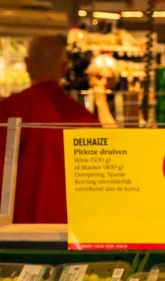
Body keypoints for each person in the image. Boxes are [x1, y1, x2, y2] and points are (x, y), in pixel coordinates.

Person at [0, 36, 99, 224]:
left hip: (17, 227)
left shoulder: (9, 111)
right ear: (64, 67)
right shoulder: (87, 120)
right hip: (73, 229)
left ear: (27, 64)